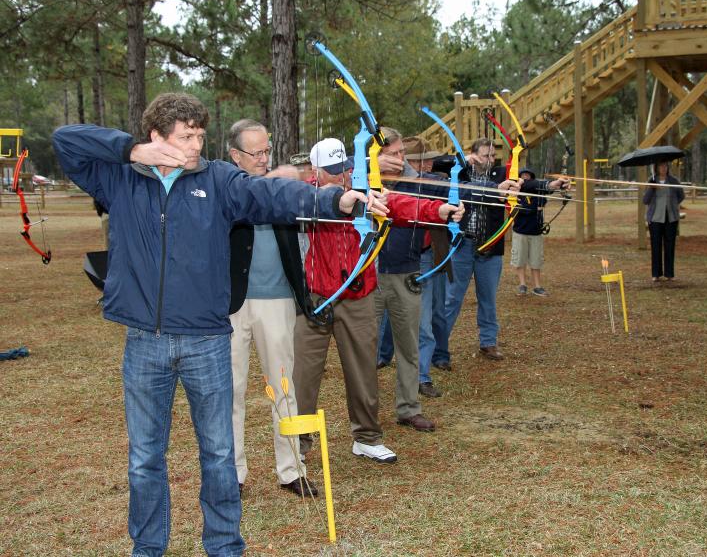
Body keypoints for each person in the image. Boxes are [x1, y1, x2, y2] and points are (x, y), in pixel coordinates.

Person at [52, 93, 384, 557]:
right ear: (156, 137)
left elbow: (272, 194)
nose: (194, 145)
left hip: (207, 339)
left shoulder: (219, 179)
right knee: (145, 458)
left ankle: (225, 545)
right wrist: (130, 150)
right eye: (185, 136)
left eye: (200, 136)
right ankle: (148, 547)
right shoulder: (119, 178)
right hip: (145, 341)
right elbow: (65, 140)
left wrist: (335, 199)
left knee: (219, 454)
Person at [293, 137, 461, 461]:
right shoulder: (304, 194)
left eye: (345, 169)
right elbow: (303, 202)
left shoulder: (366, 188)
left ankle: (366, 437)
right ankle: (298, 445)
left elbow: (399, 204)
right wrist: (342, 199)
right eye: (332, 171)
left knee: (363, 371)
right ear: (315, 170)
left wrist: (439, 210)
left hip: (358, 294)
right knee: (305, 373)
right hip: (315, 297)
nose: (341, 176)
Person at [226, 119, 317, 498]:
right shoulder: (221, 188)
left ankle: (292, 469)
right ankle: (231, 475)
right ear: (234, 155)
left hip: (277, 299)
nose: (264, 158)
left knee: (283, 385)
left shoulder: (280, 188)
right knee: (228, 390)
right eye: (256, 152)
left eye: (267, 150)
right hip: (228, 303)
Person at [441, 139, 569, 363]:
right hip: (462, 245)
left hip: (490, 246)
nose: (490, 160)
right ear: (472, 155)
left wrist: (551, 186)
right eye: (484, 156)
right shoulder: (459, 173)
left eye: (492, 156)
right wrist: (461, 160)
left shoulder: (501, 174)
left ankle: (488, 343)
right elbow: (438, 165)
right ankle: (439, 347)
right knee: (452, 298)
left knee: (488, 297)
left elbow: (526, 184)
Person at [372, 131, 463, 413]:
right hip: (367, 274)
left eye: (402, 153)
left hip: (407, 269)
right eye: (395, 153)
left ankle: (409, 407)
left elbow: (439, 191)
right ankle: (366, 411)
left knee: (410, 344)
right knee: (365, 347)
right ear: (376, 154)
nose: (401, 159)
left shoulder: (415, 179)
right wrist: (368, 165)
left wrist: (452, 202)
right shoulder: (357, 178)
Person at [643, 160, 685, 282]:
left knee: (669, 245)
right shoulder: (651, 181)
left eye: (665, 165)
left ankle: (669, 273)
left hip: (671, 218)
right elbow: (645, 200)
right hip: (655, 218)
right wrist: (652, 188)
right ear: (656, 167)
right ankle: (656, 273)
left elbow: (681, 196)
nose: (663, 168)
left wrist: (672, 204)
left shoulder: (673, 181)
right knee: (656, 246)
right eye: (661, 165)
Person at [510, 168, 548, 297]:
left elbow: (540, 205)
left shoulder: (539, 192)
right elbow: (520, 208)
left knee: (536, 261)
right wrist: (532, 208)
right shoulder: (515, 192)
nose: (525, 177)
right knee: (519, 259)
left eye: (528, 176)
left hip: (535, 232)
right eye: (523, 176)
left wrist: (529, 208)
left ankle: (537, 286)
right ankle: (522, 284)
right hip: (520, 231)